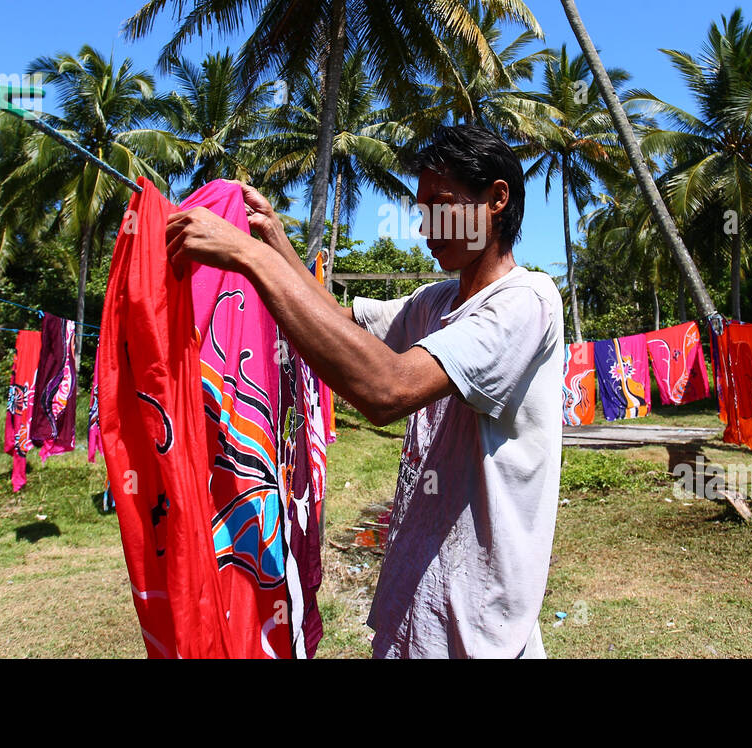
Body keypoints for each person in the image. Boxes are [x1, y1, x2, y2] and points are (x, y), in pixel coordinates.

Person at [164, 124, 564, 658]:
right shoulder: (433, 303)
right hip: (419, 601)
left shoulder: (527, 301)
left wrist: (249, 258)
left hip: (482, 624)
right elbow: (334, 321)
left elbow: (386, 390)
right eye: (420, 209)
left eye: (441, 205)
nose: (426, 225)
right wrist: (275, 240)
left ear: (496, 198)